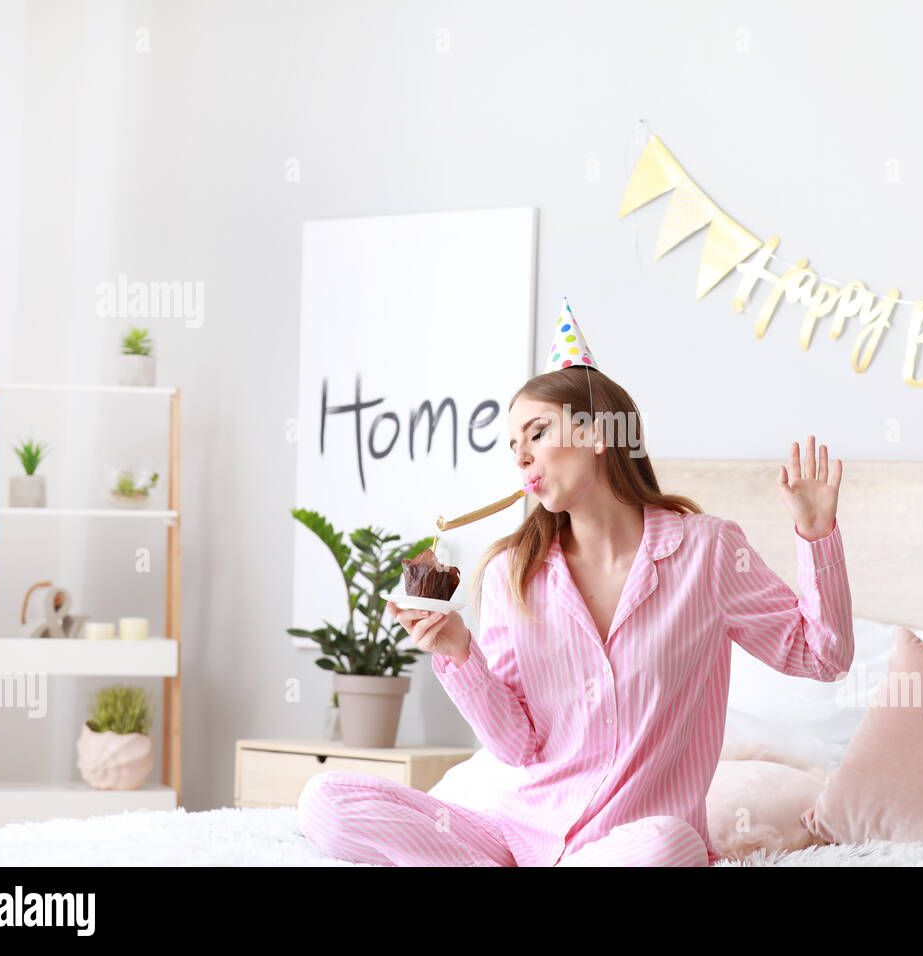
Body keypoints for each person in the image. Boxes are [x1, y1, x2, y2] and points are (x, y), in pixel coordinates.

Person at [298, 305, 853, 867]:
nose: (521, 456)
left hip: (626, 848)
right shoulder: (513, 572)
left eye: (537, 433)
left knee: (670, 845)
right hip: (516, 838)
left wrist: (817, 535)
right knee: (325, 800)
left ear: (597, 434)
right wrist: (457, 652)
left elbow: (823, 655)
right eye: (515, 446)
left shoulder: (706, 552)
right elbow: (518, 747)